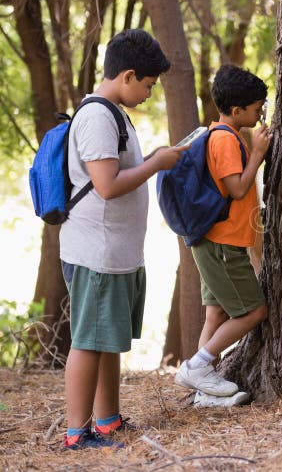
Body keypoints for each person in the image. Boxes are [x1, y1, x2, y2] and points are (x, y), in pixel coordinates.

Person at [60, 29, 185, 449]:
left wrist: (152, 159)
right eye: (148, 84)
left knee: (106, 339)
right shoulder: (97, 116)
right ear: (128, 75)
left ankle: (108, 420)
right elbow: (107, 185)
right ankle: (77, 434)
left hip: (115, 252)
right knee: (88, 341)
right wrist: (156, 165)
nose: (150, 93)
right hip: (96, 251)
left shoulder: (114, 113)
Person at [174, 64, 270, 408]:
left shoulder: (218, 134)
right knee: (254, 312)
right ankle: (197, 367)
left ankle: (205, 392)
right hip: (224, 244)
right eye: (257, 109)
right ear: (236, 110)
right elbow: (238, 187)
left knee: (215, 315)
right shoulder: (226, 140)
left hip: (211, 241)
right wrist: (258, 153)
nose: (260, 116)